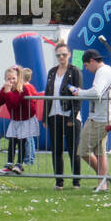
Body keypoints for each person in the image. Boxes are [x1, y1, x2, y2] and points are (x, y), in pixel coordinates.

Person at [70, 49, 111, 192]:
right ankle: (102, 183)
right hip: (106, 116)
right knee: (100, 153)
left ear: (91, 61)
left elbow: (96, 92)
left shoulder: (102, 72)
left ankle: (104, 179)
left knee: (83, 150)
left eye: (86, 65)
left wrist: (79, 93)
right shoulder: (109, 71)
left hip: (98, 118)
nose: (86, 69)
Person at [44, 44, 83, 188]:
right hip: (54, 114)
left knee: (73, 149)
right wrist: (45, 117)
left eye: (64, 54)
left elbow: (78, 95)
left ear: (69, 55)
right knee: (56, 149)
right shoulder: (52, 72)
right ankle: (59, 181)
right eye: (58, 55)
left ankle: (76, 181)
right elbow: (47, 94)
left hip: (69, 114)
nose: (61, 57)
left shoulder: (75, 71)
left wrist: (73, 117)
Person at [0, 66, 39, 175]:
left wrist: (8, 92)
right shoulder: (7, 88)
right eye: (8, 79)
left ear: (18, 78)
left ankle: (19, 164)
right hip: (15, 119)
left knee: (22, 141)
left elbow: (14, 103)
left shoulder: (23, 89)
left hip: (26, 118)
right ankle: (9, 164)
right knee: (12, 141)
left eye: (13, 78)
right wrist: (3, 90)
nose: (11, 81)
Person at [19, 66, 42, 170]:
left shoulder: (25, 88)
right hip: (31, 116)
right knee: (30, 138)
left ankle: (29, 159)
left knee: (28, 139)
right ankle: (30, 157)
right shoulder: (31, 87)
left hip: (26, 116)